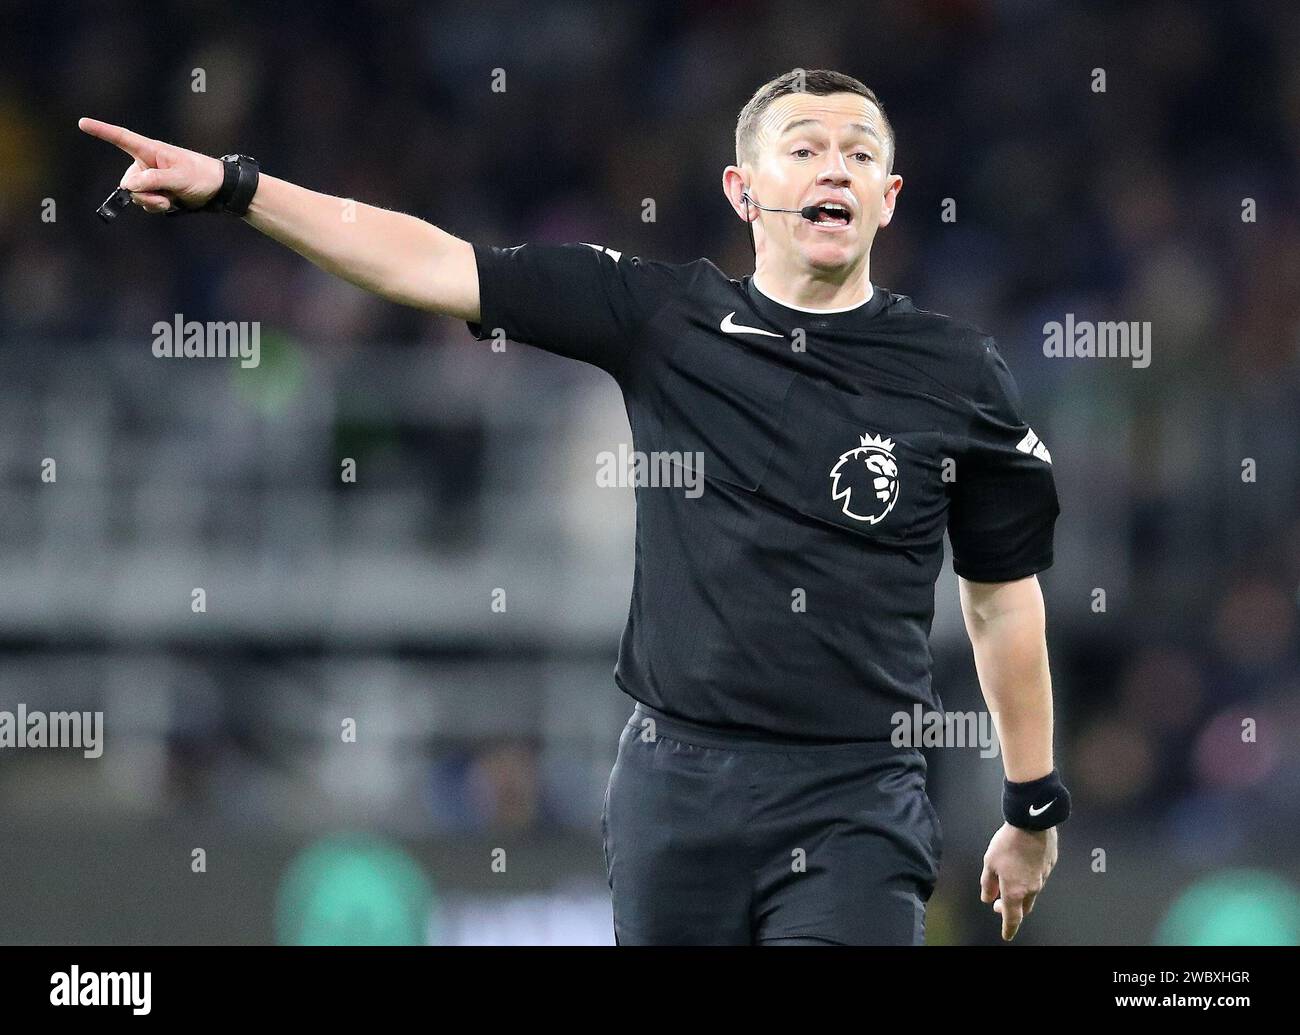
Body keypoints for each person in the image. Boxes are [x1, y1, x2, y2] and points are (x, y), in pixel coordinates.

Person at [79, 67, 1067, 946]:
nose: (834, 169)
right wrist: (235, 187)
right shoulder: (660, 318)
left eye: (860, 155)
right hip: (678, 793)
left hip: (856, 795)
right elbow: (427, 261)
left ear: (889, 200)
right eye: (803, 148)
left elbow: (999, 601)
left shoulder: (956, 377)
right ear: (742, 189)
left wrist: (1030, 808)